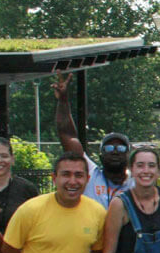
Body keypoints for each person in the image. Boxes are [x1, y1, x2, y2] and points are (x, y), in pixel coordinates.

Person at [52, 73, 132, 207]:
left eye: (121, 148)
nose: (115, 151)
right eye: (108, 148)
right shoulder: (90, 174)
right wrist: (63, 100)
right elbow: (67, 134)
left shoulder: (137, 183)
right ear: (100, 156)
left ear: (129, 155)